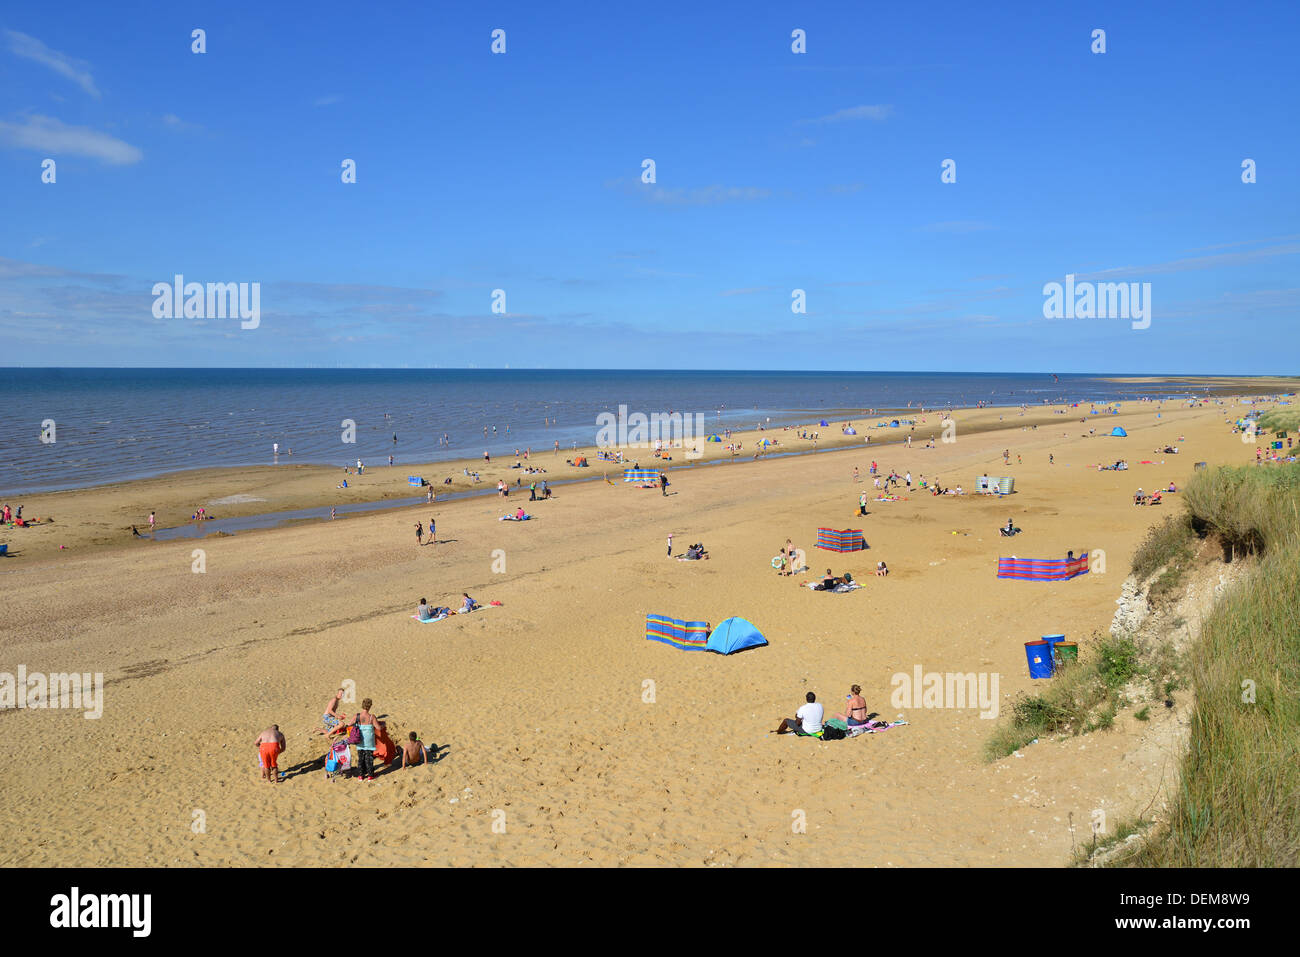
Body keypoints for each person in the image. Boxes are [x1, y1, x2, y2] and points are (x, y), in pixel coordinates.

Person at [353, 699, 378, 781]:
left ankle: (361, 775)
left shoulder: (357, 716)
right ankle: (370, 775)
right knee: (369, 758)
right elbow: (378, 727)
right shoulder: (371, 717)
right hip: (369, 740)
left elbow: (349, 724)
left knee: (361, 758)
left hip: (359, 739)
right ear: (370, 706)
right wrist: (383, 724)